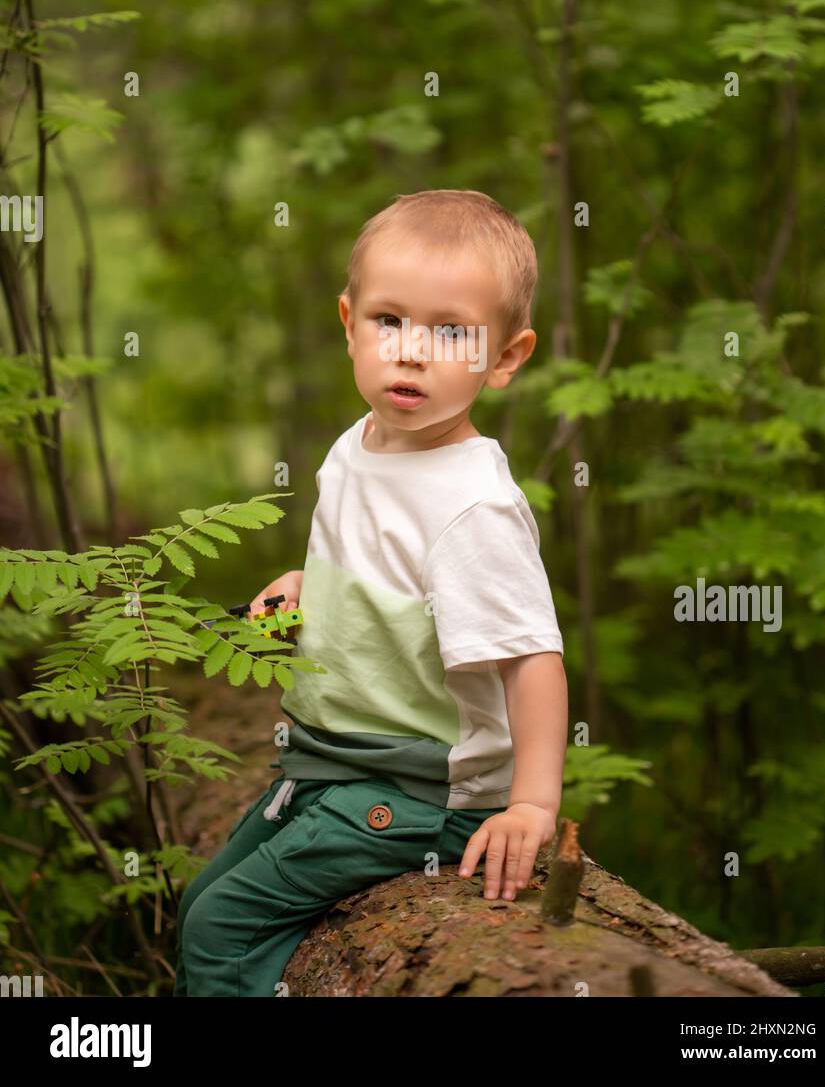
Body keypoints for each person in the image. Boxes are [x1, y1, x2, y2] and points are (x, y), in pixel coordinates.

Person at [174, 189, 568, 997]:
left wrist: (530, 805)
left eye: (450, 330)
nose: (411, 351)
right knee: (198, 902)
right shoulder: (357, 447)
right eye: (389, 320)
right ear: (349, 324)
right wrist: (307, 588)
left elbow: (534, 658)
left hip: (418, 793)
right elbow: (380, 575)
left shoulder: (473, 506)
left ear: (505, 357)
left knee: (223, 930)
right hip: (333, 758)